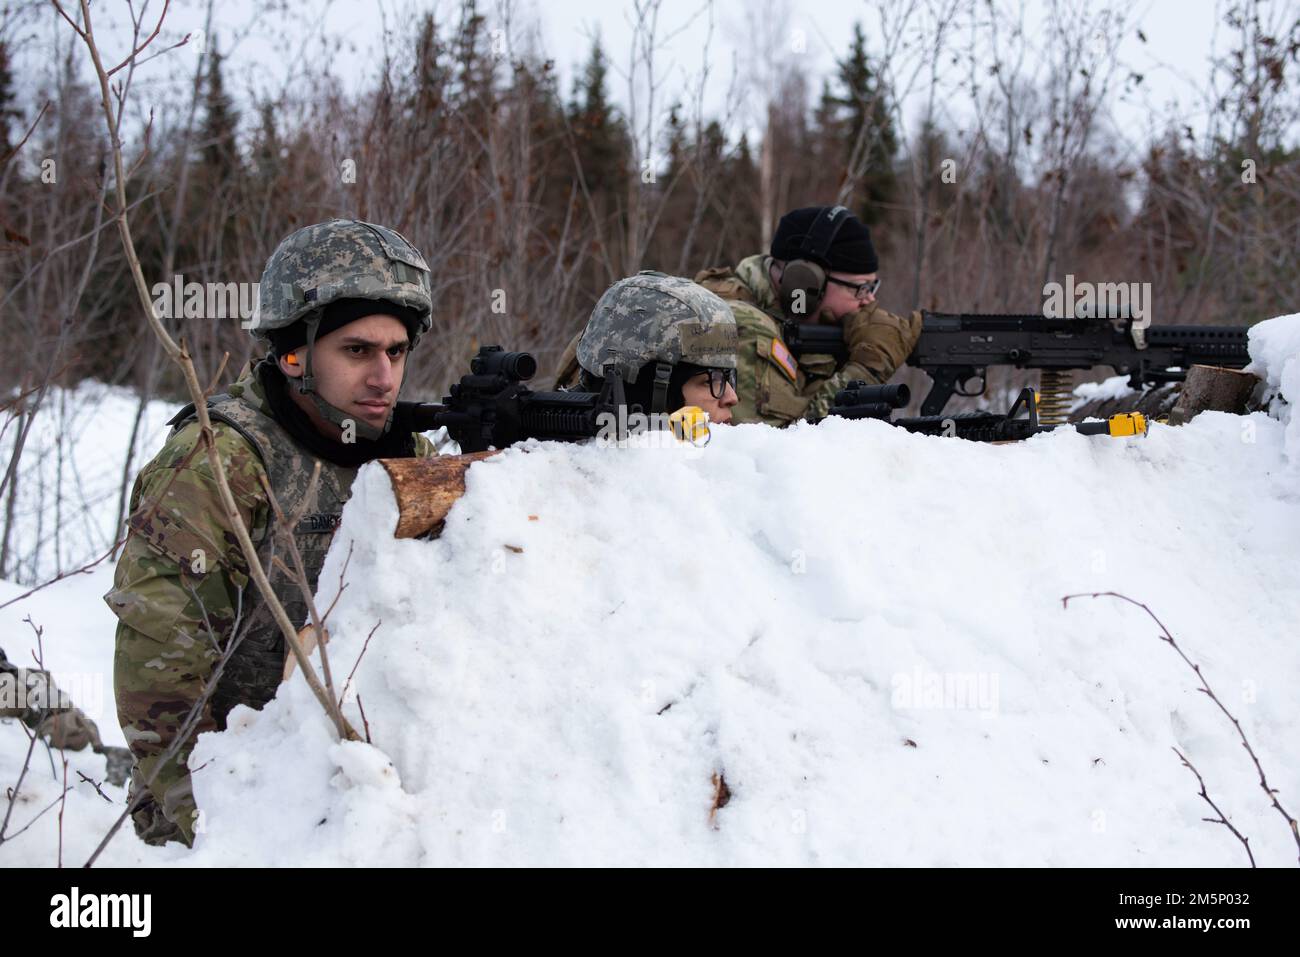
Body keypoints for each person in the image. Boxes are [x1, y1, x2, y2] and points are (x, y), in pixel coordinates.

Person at [103, 219, 436, 846]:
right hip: (238, 801)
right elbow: (159, 675)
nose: (384, 377)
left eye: (396, 351)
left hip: (366, 803)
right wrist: (217, 827)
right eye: (357, 350)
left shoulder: (409, 456)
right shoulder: (217, 462)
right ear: (293, 352)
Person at [693, 204, 923, 425]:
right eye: (860, 288)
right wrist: (868, 367)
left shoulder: (784, 318)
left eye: (872, 288)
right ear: (804, 282)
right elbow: (785, 449)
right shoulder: (741, 326)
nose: (869, 300)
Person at [569, 271, 738, 425]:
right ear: (645, 394)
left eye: (728, 377)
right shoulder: (564, 458)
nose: (732, 398)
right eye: (710, 381)